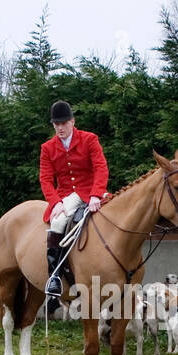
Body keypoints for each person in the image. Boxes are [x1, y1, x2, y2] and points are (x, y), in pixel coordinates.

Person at [39, 100, 108, 298]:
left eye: (64, 123)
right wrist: (56, 202)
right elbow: (45, 179)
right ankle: (54, 277)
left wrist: (96, 193)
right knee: (58, 221)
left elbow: (100, 168)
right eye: (56, 124)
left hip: (91, 191)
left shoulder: (89, 139)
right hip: (66, 196)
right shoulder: (47, 148)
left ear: (72, 122)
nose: (60, 128)